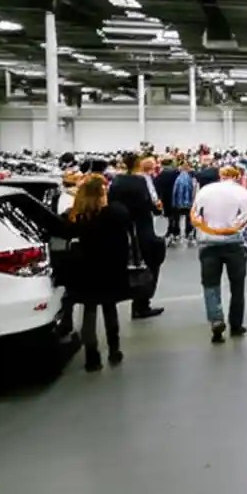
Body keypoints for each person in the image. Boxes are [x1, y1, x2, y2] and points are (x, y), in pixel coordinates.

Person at [61, 174, 131, 372]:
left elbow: (64, 231)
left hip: (85, 269)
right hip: (110, 268)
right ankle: (115, 350)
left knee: (89, 313)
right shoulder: (116, 212)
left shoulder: (76, 216)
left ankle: (92, 357)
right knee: (110, 309)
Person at [191, 165, 247, 344]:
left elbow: (195, 215)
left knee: (211, 285)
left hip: (208, 243)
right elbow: (246, 219)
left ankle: (216, 321)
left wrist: (209, 230)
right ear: (237, 176)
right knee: (237, 285)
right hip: (235, 244)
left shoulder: (205, 190)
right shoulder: (243, 193)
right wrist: (230, 230)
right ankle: (236, 324)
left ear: (220, 175)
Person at [107, 153, 164, 319]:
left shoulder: (117, 181)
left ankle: (135, 301)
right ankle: (142, 303)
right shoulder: (141, 181)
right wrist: (157, 209)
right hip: (142, 227)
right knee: (150, 263)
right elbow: (148, 203)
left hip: (123, 228)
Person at [154, 157, 182, 245]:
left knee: (169, 215)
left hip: (166, 198)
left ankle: (170, 231)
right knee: (176, 215)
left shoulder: (160, 175)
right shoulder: (177, 173)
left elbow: (156, 188)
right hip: (177, 197)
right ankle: (176, 231)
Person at [172, 163, 198, 246]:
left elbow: (175, 191)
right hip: (188, 202)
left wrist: (174, 202)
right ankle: (188, 233)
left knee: (177, 219)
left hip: (179, 202)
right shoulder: (191, 179)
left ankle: (177, 233)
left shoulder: (178, 178)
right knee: (189, 218)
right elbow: (193, 191)